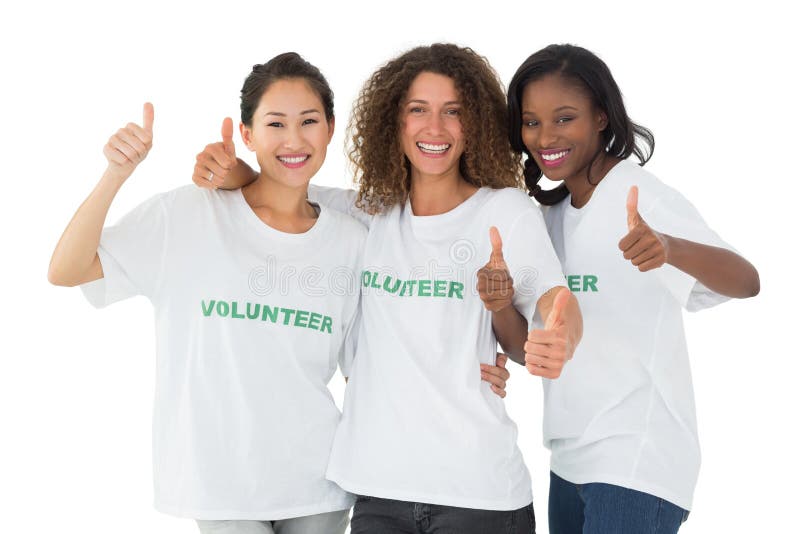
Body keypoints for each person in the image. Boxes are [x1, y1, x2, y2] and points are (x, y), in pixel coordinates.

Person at [195, 43, 583, 533]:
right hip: (377, 498)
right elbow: (285, 188)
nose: (434, 128)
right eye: (417, 110)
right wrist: (238, 172)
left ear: (477, 123)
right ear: (392, 122)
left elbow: (554, 304)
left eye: (453, 112)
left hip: (478, 496)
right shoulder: (363, 214)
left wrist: (559, 336)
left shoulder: (504, 213)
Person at [48, 53, 368, 534]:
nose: (294, 140)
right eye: (275, 123)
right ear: (246, 134)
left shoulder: (351, 239)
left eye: (309, 121)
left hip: (319, 480)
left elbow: (369, 363)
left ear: (330, 127)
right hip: (219, 483)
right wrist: (116, 173)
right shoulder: (189, 215)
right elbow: (67, 270)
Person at [506, 43, 760, 534]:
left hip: (637, 458)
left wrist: (669, 247)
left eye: (564, 118)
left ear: (601, 118)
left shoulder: (636, 196)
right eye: (532, 121)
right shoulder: (547, 220)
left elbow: (747, 280)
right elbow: (531, 345)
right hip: (567, 460)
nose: (545, 136)